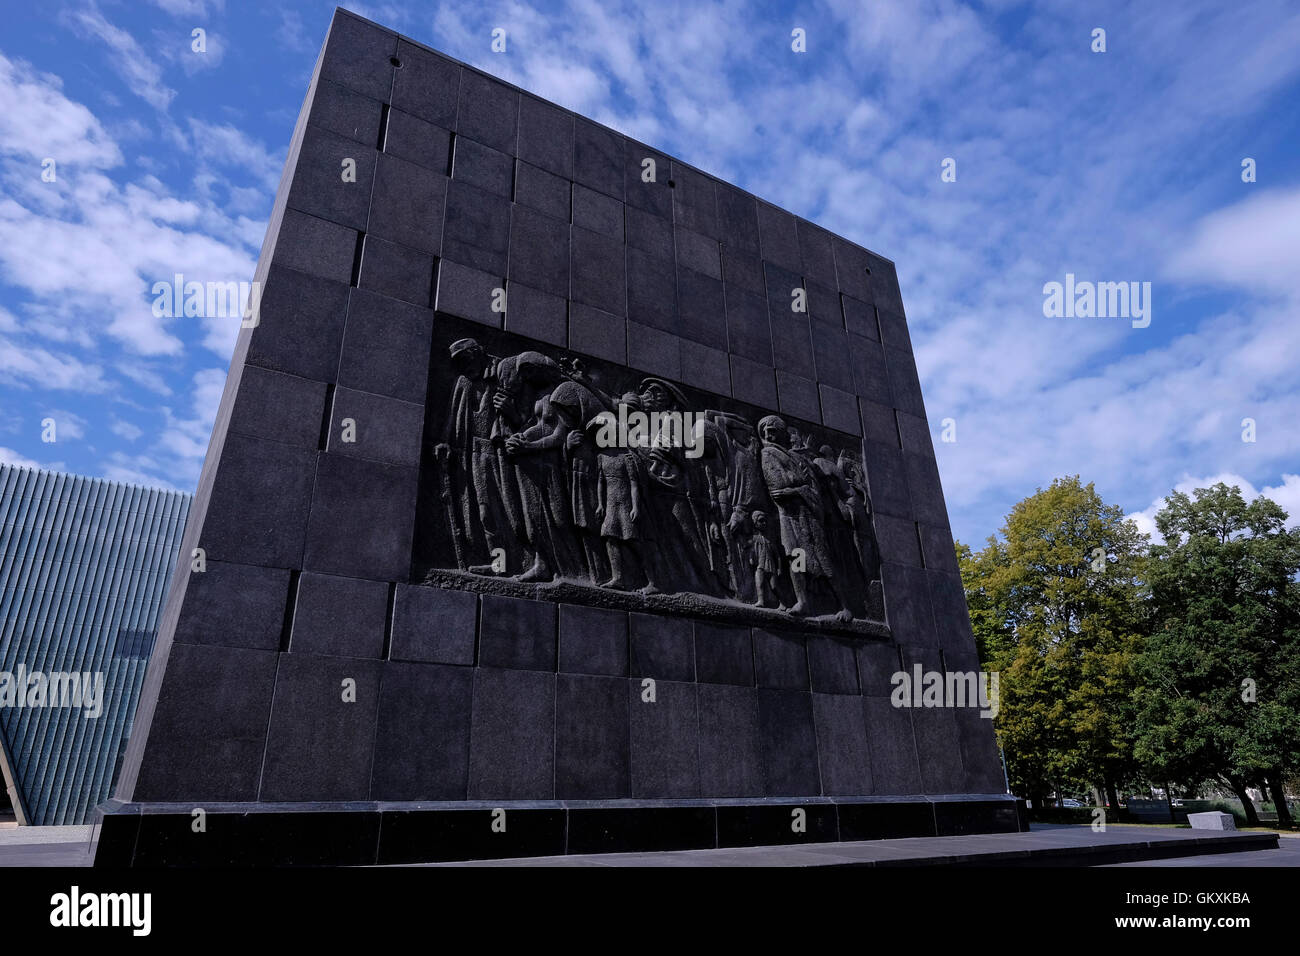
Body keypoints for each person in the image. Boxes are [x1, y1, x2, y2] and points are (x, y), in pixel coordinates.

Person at [757, 415, 853, 621]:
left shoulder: (799, 458)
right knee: (795, 556)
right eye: (765, 431)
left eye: (773, 430)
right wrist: (796, 487)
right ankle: (803, 601)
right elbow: (778, 485)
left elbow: (807, 485)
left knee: (822, 557)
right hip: (788, 515)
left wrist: (797, 489)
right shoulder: (767, 453)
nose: (768, 435)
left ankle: (845, 605)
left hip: (807, 514)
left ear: (783, 433)